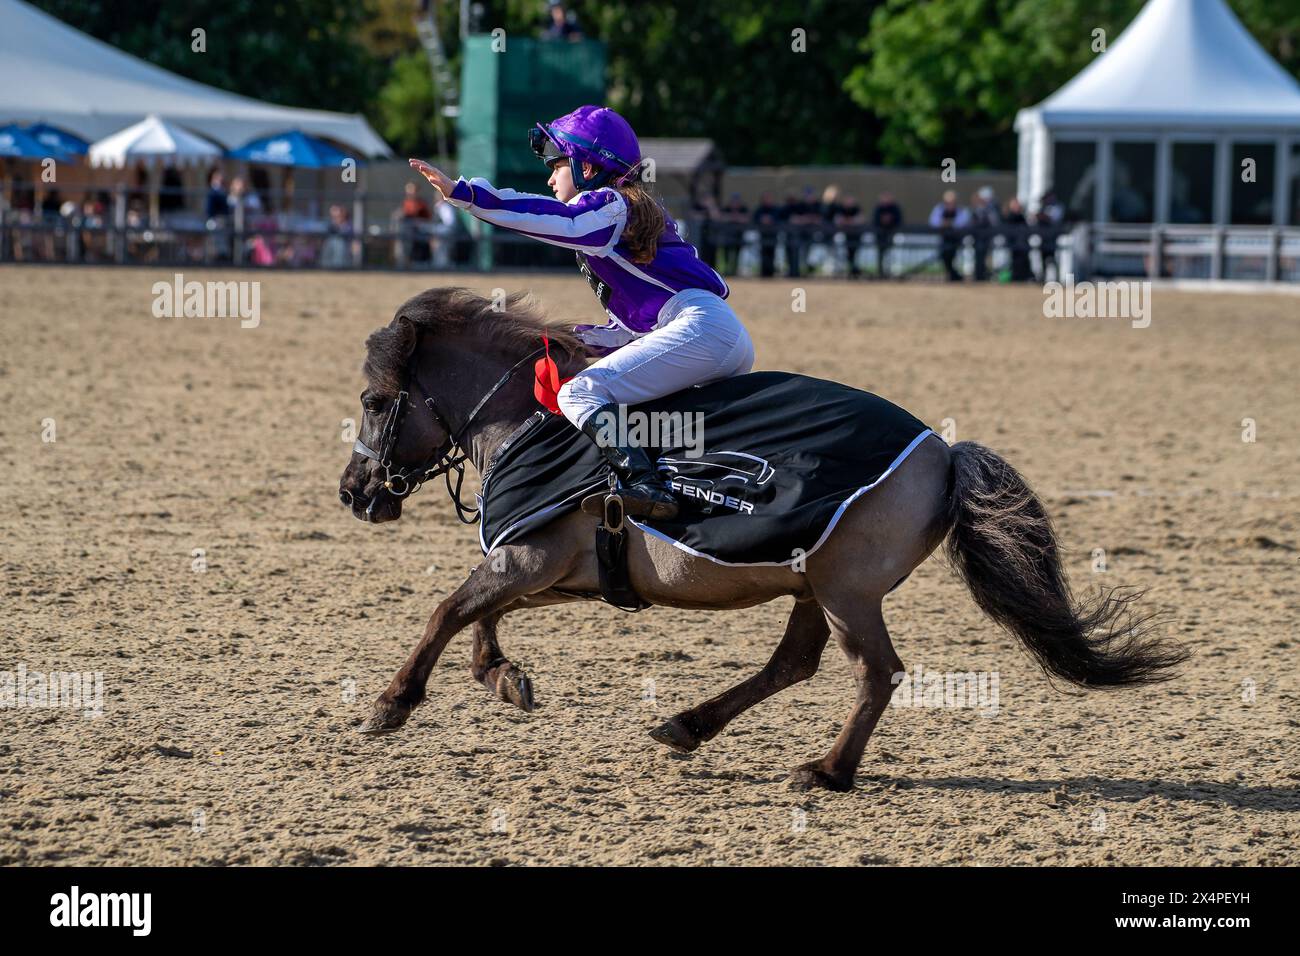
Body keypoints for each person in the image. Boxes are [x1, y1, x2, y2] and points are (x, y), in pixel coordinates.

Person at [409, 105, 751, 520]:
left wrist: (468, 195)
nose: (550, 178)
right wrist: (559, 339)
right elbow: (628, 333)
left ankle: (644, 486)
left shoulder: (610, 206)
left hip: (700, 329)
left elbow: (562, 221)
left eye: (557, 166)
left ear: (587, 169)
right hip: (708, 332)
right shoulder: (623, 215)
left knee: (579, 393)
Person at [929, 190, 969, 281]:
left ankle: (954, 275)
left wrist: (950, 223)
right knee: (945, 255)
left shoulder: (961, 210)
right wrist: (943, 224)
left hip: (956, 239)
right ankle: (954, 275)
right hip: (943, 239)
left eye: (952, 202)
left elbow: (963, 222)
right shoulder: (939, 209)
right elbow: (933, 222)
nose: (950, 204)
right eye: (948, 202)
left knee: (950, 254)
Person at [870, 191, 902, 278]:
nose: (886, 200)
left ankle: (892, 272)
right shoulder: (878, 208)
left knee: (892, 254)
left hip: (892, 234)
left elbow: (899, 221)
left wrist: (890, 221)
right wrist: (882, 221)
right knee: (880, 254)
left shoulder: (895, 208)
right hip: (880, 236)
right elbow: (874, 221)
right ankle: (880, 273)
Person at [399, 181, 432, 264]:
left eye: (413, 190)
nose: (410, 192)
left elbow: (427, 218)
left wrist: (419, 221)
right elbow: (402, 215)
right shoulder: (405, 202)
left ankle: (418, 262)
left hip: (419, 231)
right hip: (406, 231)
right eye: (408, 190)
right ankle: (405, 263)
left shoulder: (421, 203)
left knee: (419, 251)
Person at [751, 192, 783, 278]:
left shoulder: (776, 209)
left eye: (769, 198)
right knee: (763, 255)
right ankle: (764, 273)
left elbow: (779, 219)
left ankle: (771, 273)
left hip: (773, 235)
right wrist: (762, 220)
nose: (767, 200)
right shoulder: (759, 209)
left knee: (772, 255)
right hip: (762, 235)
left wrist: (770, 220)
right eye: (765, 198)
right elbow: (755, 219)